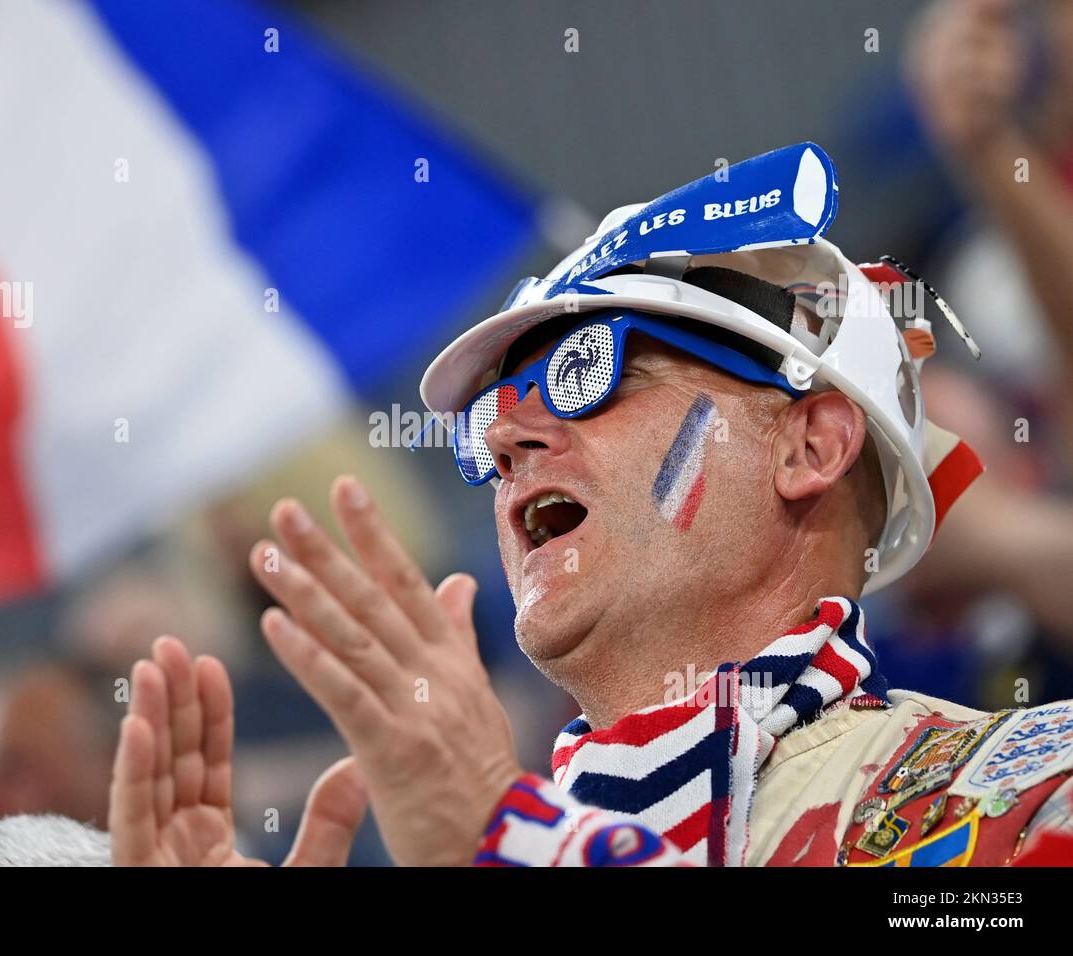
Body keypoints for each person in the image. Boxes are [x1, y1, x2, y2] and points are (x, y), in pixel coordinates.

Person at [110, 143, 1073, 867]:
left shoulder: (1030, 786)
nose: (507, 441)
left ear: (809, 444)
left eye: (589, 371)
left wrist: (504, 837)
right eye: (493, 415)